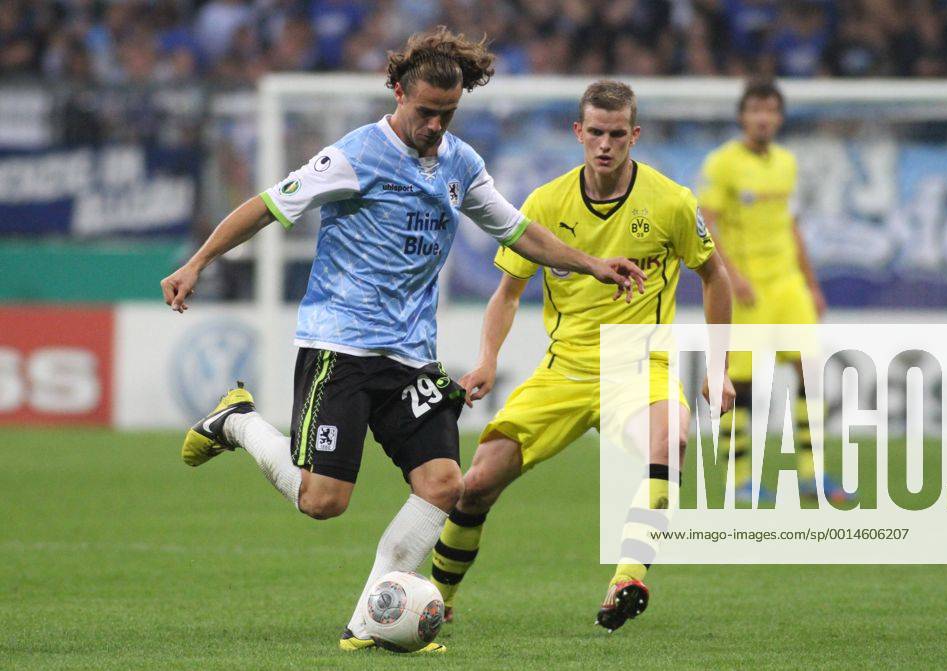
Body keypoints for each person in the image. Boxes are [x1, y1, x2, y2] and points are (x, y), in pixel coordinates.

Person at [159, 28, 646, 654]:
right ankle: (239, 422)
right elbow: (266, 206)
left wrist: (591, 263)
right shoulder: (354, 156)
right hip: (342, 346)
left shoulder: (461, 164)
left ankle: (368, 622)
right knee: (323, 501)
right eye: (425, 112)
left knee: (444, 485)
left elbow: (520, 232)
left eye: (447, 113)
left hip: (412, 354)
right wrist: (198, 261)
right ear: (397, 93)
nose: (436, 126)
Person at [429, 80, 735, 633]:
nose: (605, 145)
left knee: (673, 441)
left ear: (634, 136)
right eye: (595, 132)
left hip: (641, 369)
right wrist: (488, 360)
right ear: (578, 132)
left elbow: (715, 277)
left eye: (618, 134)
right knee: (475, 483)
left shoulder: (671, 202)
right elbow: (507, 292)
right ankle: (436, 596)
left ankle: (627, 577)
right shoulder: (547, 202)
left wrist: (718, 368)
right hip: (564, 372)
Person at [696, 79, 847, 503]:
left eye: (770, 110)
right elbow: (706, 223)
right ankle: (741, 478)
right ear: (743, 117)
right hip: (746, 290)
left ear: (779, 117)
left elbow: (792, 224)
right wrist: (730, 276)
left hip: (787, 285)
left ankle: (812, 473)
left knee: (809, 371)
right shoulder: (722, 163)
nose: (763, 118)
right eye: (755, 110)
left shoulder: (786, 163)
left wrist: (811, 284)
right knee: (739, 385)